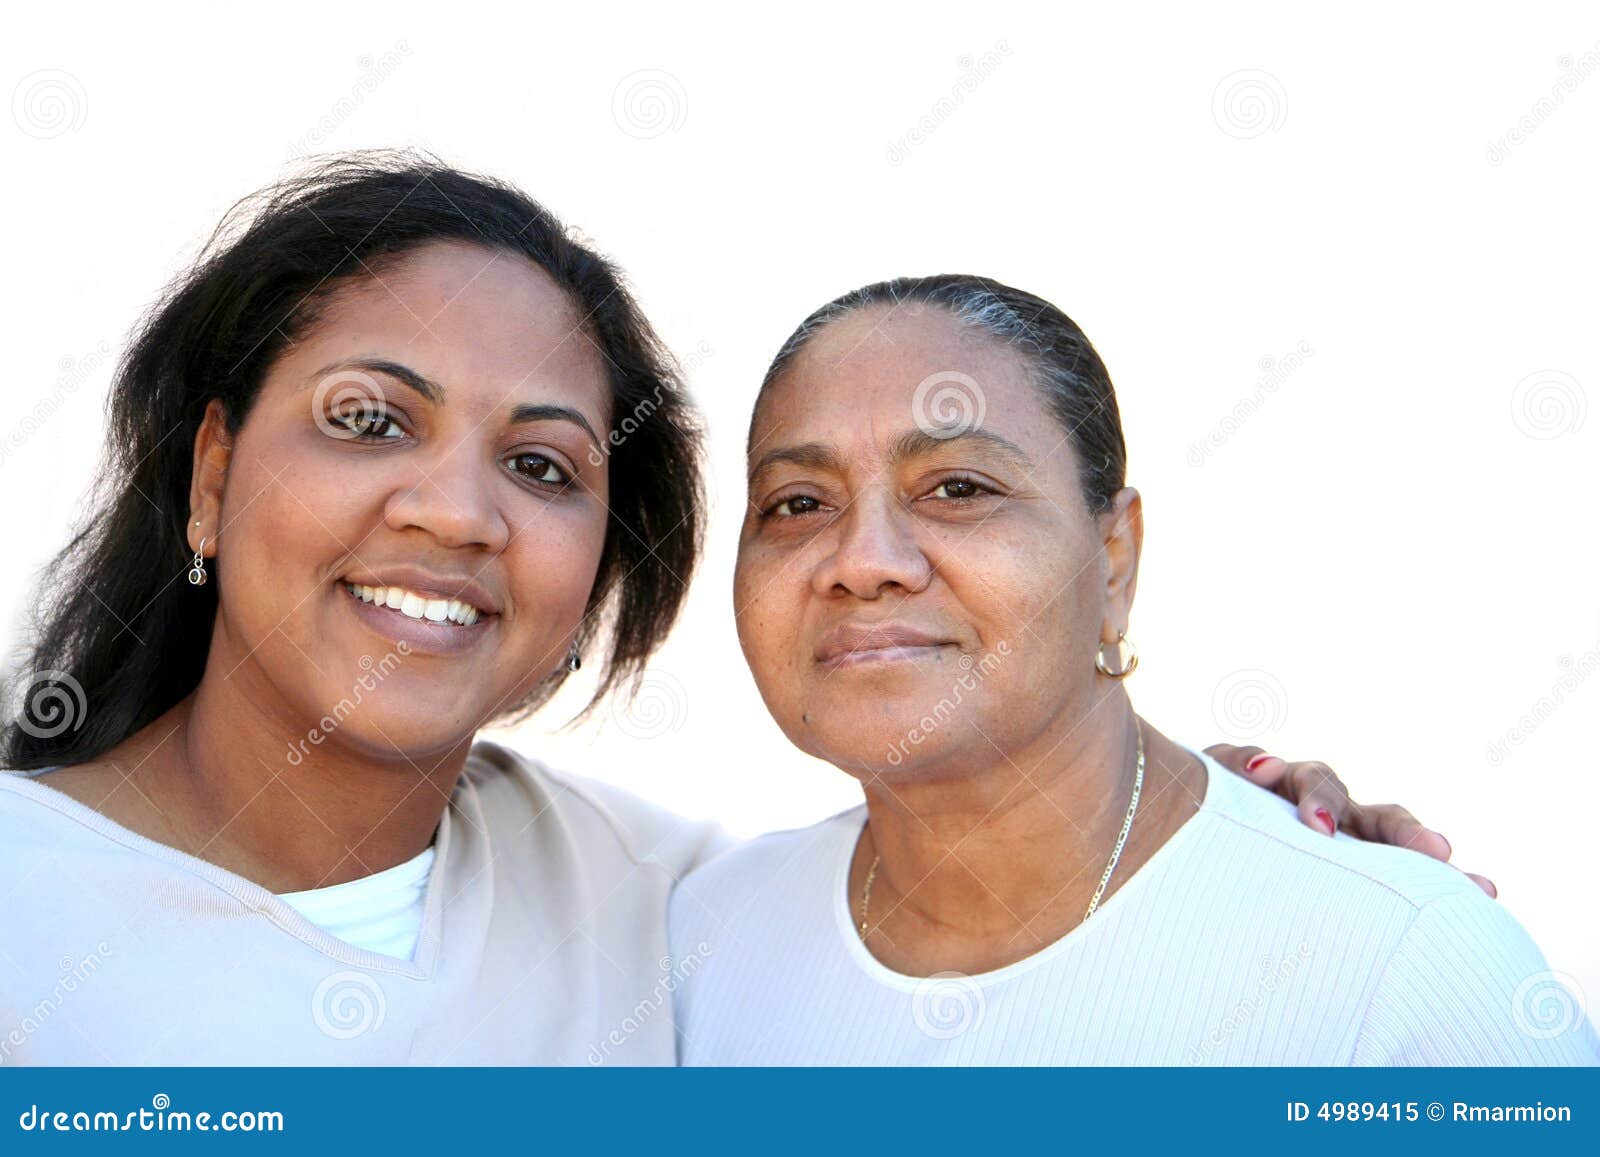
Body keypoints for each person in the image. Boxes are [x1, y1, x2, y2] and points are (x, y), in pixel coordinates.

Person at [0, 156, 1477, 1065]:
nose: (457, 514)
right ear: (211, 479)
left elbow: (983, 896)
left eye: (541, 464)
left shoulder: (662, 906)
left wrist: (1252, 838)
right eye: (370, 420)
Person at [668, 274, 1599, 1065]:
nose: (863, 559)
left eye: (959, 488)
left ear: (1114, 559)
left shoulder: (1399, 963)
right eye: (797, 503)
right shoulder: (703, 944)